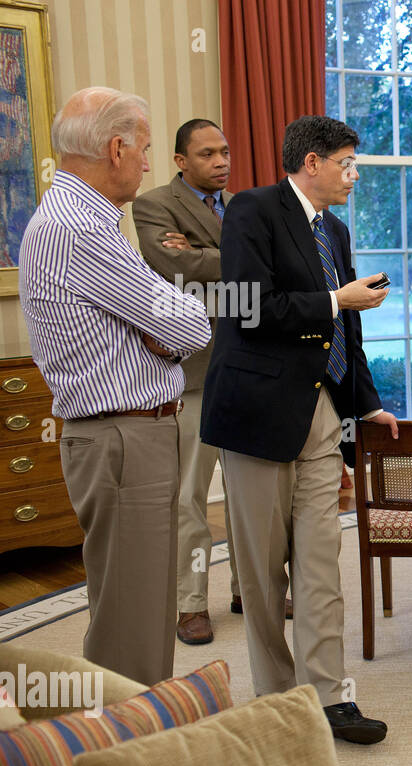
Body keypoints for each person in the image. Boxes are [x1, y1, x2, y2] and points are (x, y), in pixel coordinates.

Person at [201, 115, 397, 744]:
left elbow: (344, 331)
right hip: (255, 415)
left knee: (320, 564)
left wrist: (365, 403)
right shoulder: (251, 212)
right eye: (347, 162)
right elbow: (251, 309)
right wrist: (339, 299)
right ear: (311, 163)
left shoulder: (334, 230)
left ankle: (331, 698)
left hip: (320, 415)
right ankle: (275, 701)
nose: (354, 174)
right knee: (262, 574)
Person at [19, 87, 211, 684]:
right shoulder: (83, 229)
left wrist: (160, 324)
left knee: (135, 606)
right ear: (116, 147)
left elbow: (169, 320)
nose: (150, 164)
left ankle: (125, 741)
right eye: (147, 149)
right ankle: (127, 753)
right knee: (134, 620)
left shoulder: (74, 218)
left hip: (123, 436)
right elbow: (191, 321)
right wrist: (165, 323)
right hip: (125, 437)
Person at [133, 118, 288, 647]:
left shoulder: (247, 204)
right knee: (190, 498)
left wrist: (204, 258)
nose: (221, 161)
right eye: (207, 154)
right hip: (194, 371)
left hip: (249, 364)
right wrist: (241, 262)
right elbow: (167, 262)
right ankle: (191, 604)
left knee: (251, 494)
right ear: (181, 161)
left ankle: (251, 590)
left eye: (224, 151)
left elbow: (269, 270)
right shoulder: (154, 204)